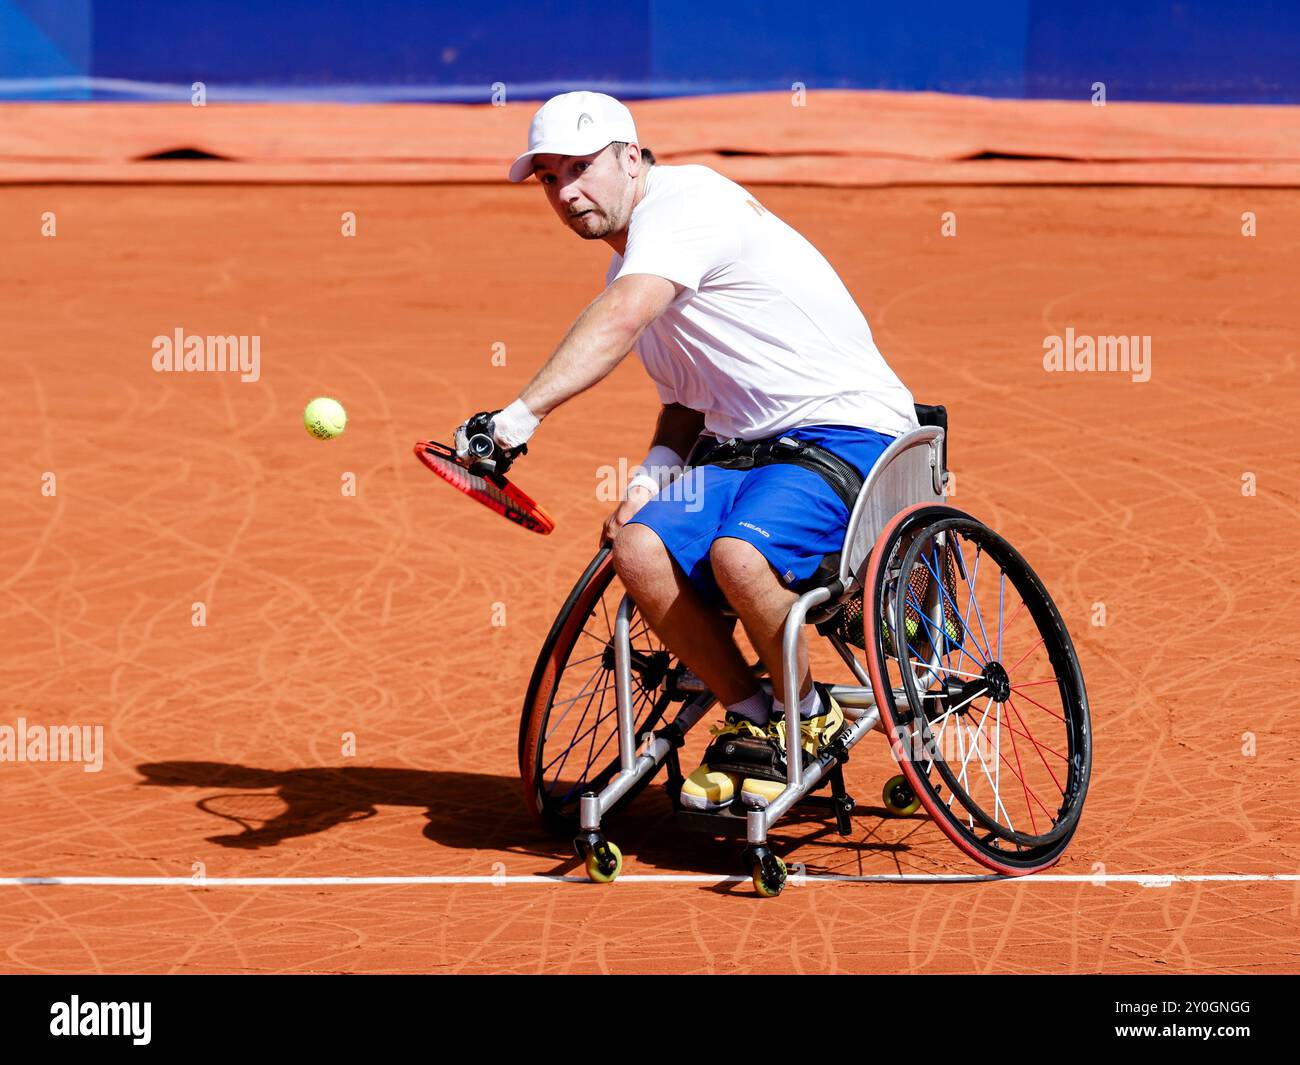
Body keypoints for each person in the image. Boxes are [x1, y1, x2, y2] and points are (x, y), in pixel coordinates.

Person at [455, 90, 918, 811]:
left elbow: (624, 314)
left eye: (581, 167)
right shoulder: (634, 268)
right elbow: (684, 405)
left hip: (847, 433)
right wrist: (648, 483)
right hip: (746, 453)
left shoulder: (685, 204)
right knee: (636, 549)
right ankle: (757, 711)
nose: (566, 191)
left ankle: (809, 708)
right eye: (548, 177)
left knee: (740, 556)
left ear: (632, 158)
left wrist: (517, 418)